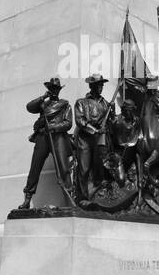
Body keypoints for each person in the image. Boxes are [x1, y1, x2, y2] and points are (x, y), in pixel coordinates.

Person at [17, 77, 74, 210]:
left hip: (58, 137)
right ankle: (27, 199)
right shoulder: (43, 104)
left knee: (63, 169)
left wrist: (54, 127)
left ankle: (69, 199)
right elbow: (29, 107)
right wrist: (43, 97)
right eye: (51, 88)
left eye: (56, 89)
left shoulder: (65, 104)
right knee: (35, 168)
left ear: (59, 90)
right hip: (42, 137)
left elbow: (68, 123)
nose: (54, 91)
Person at [73, 74, 112, 202]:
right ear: (92, 86)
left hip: (100, 139)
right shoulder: (81, 102)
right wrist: (95, 130)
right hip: (85, 139)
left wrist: (113, 116)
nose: (101, 87)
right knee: (83, 169)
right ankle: (82, 198)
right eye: (98, 85)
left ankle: (97, 197)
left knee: (100, 168)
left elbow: (112, 123)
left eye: (102, 85)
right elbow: (80, 120)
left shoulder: (106, 104)